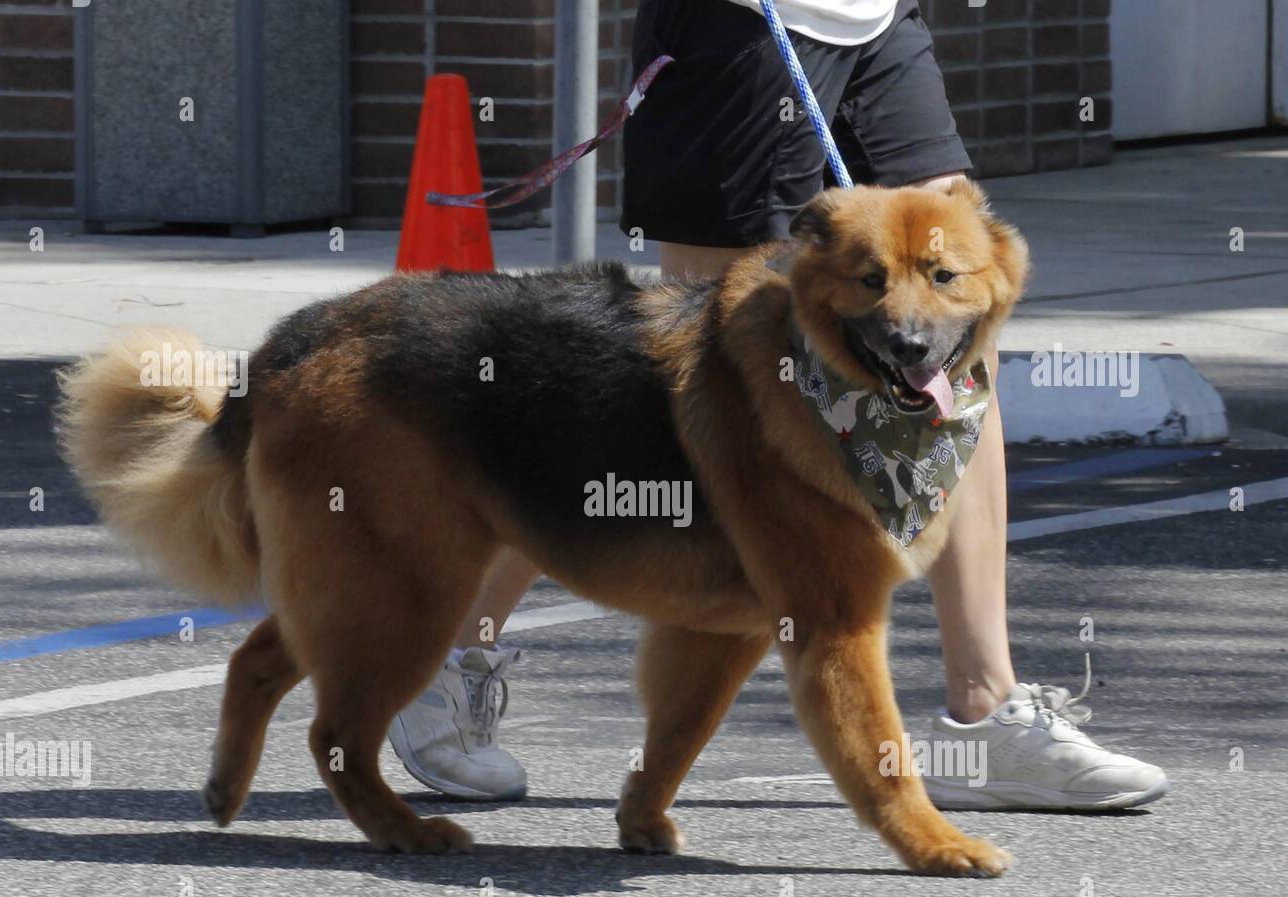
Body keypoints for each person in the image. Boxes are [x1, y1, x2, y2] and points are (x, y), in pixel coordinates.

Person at [388, 0, 1169, 811]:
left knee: (955, 319)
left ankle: (983, 712)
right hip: (741, 25)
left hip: (874, 18)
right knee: (697, 368)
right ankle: (441, 651)